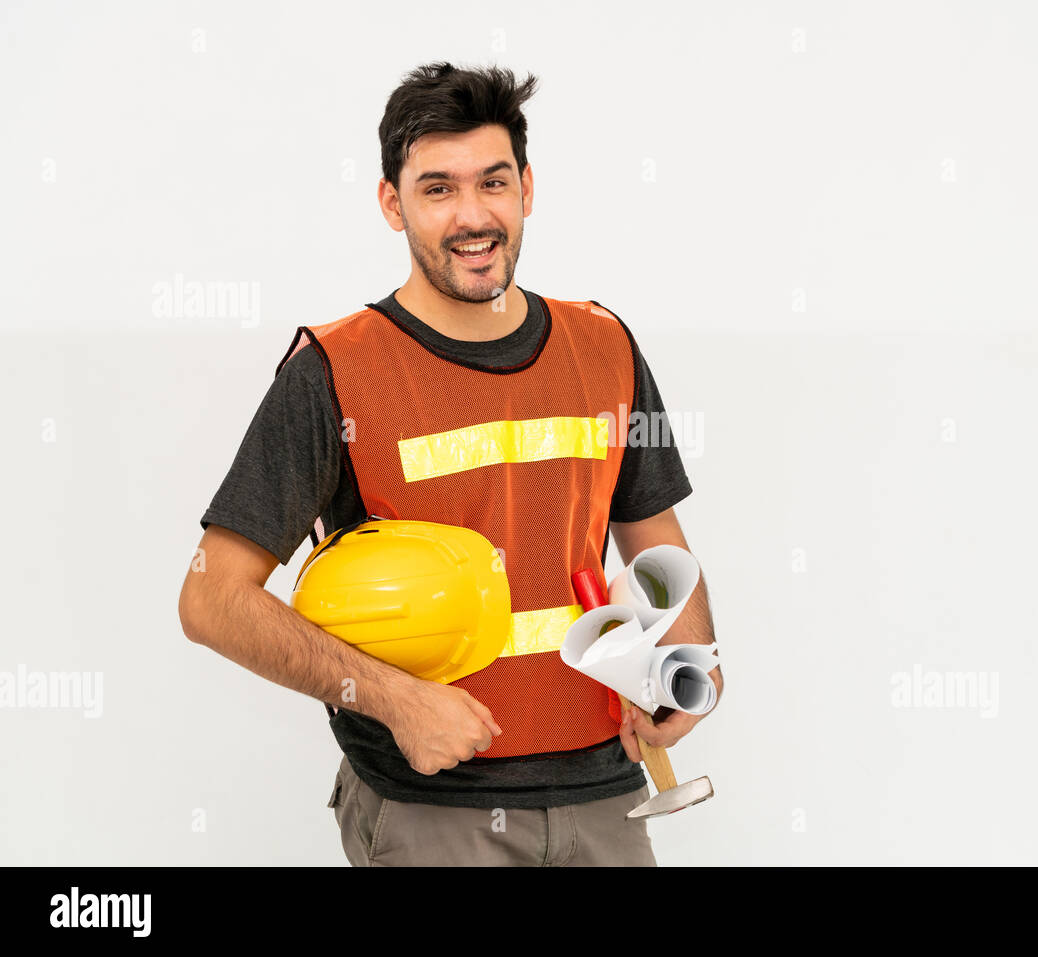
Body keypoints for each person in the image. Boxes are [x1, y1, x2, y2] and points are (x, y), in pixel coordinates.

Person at [176, 61, 722, 867]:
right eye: (437, 189)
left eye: (493, 182)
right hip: (432, 812)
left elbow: (657, 543)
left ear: (527, 189)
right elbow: (210, 596)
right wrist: (392, 699)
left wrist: (691, 665)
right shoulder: (332, 371)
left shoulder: (604, 345)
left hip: (610, 792)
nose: (474, 215)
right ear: (392, 204)